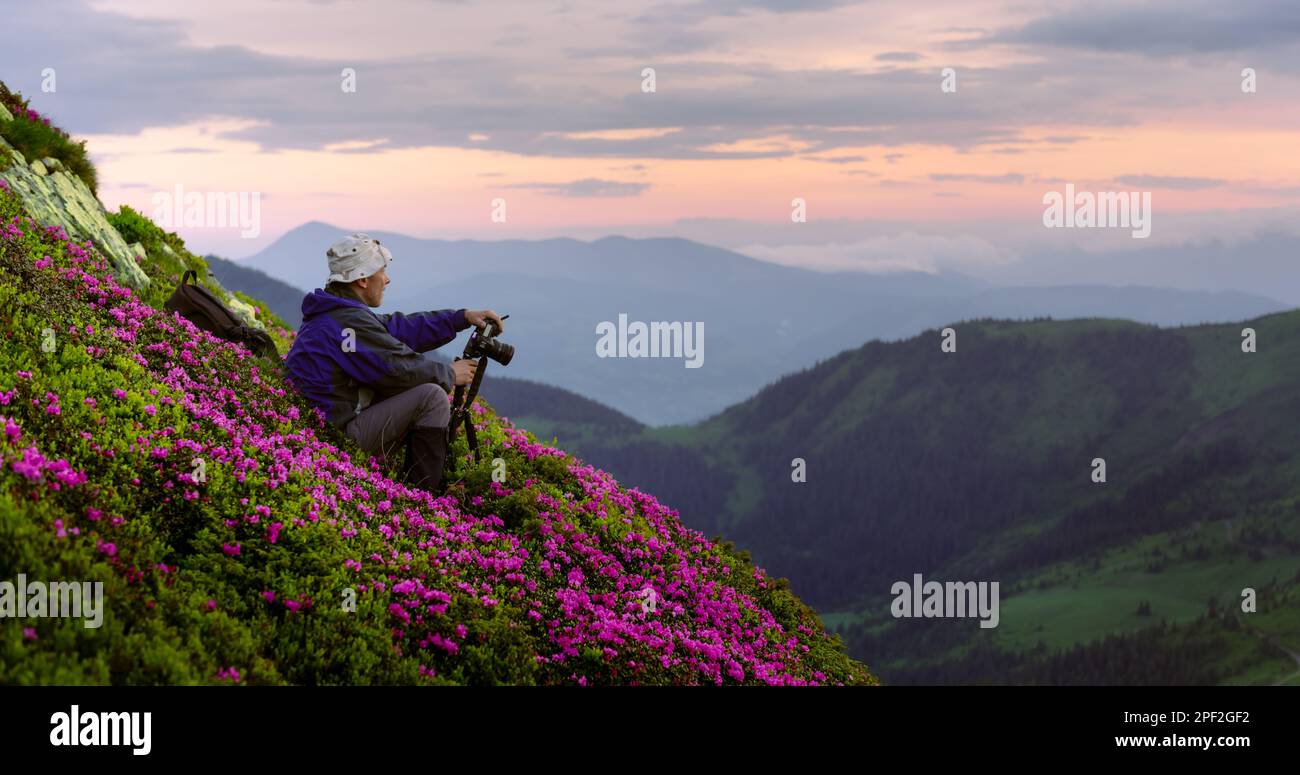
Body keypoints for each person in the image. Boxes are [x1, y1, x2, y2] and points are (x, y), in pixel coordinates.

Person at [284, 233, 504, 493]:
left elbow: (399, 329)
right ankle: (423, 496)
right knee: (431, 396)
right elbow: (395, 366)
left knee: (420, 388)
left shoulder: (338, 314)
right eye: (382, 270)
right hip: (333, 438)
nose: (387, 279)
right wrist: (448, 373)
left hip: (322, 427)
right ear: (363, 279)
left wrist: (460, 318)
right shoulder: (347, 323)